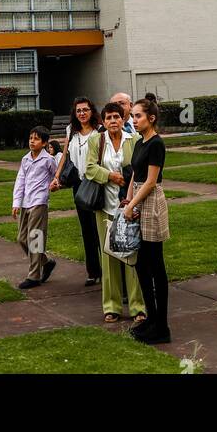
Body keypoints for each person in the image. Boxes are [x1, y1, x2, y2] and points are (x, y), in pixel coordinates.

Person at [84, 101, 147, 325]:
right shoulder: (96, 140)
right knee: (108, 255)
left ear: (123, 119)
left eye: (116, 117)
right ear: (103, 121)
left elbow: (142, 169)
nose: (113, 121)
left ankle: (138, 306)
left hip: (129, 206)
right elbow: (89, 168)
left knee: (131, 254)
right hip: (104, 206)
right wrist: (110, 175)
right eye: (109, 117)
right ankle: (111, 307)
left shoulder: (135, 140)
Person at [123, 94, 171, 344]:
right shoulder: (140, 142)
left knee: (155, 264)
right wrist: (128, 200)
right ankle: (151, 319)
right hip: (138, 199)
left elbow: (151, 181)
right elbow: (135, 174)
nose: (134, 119)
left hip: (151, 202)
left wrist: (133, 203)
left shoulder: (156, 143)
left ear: (151, 118)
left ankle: (162, 326)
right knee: (141, 264)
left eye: (138, 115)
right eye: (132, 116)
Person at [49, 96, 102, 286]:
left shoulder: (100, 130)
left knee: (100, 229)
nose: (82, 113)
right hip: (80, 184)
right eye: (79, 110)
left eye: (85, 110)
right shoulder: (71, 130)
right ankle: (93, 271)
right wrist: (56, 177)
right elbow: (65, 155)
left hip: (97, 182)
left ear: (92, 111)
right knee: (86, 229)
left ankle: (108, 270)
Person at [12, 125, 57, 290]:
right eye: (31, 138)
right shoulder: (25, 159)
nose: (32, 141)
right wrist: (16, 203)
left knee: (35, 239)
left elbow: (55, 177)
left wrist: (54, 185)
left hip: (39, 202)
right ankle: (46, 262)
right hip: (25, 202)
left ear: (44, 143)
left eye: (36, 139)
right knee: (22, 239)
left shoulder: (48, 160)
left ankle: (34, 276)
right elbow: (20, 181)